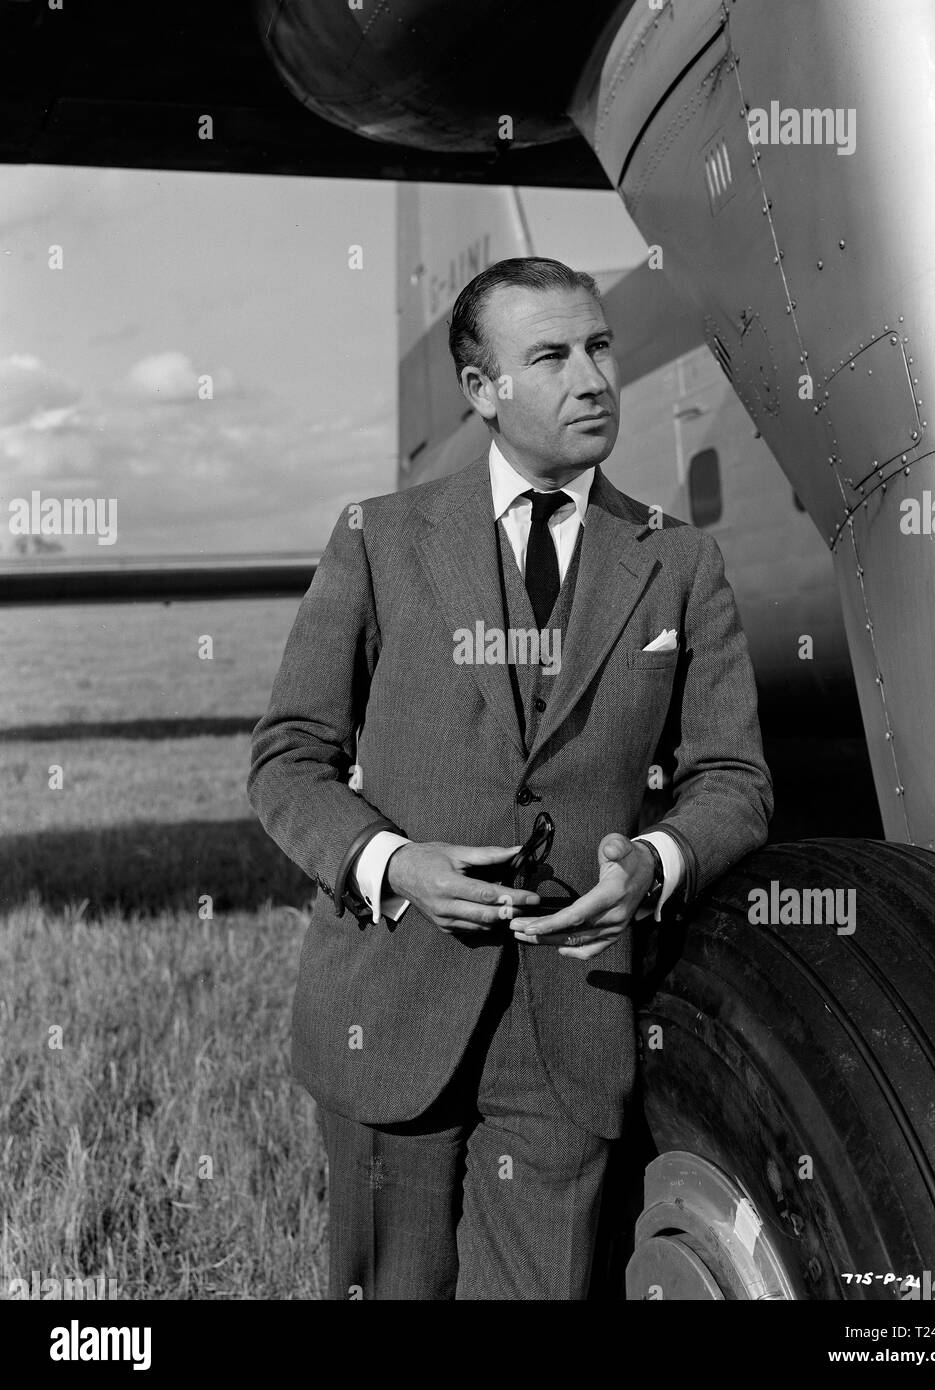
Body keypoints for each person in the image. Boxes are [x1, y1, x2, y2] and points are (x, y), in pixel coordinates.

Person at [248, 256, 772, 1300]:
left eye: (597, 348)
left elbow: (733, 779)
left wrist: (657, 862)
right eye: (550, 356)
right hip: (389, 1013)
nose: (591, 378)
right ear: (481, 392)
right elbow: (287, 759)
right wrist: (392, 864)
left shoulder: (679, 563)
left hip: (572, 1027)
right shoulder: (379, 541)